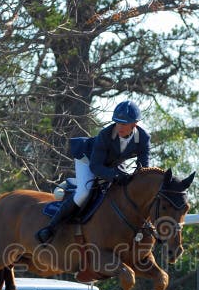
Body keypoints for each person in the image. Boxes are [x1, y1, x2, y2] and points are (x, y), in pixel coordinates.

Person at [35, 100, 151, 244]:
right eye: (117, 122)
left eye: (124, 124)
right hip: (88, 160)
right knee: (84, 192)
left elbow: (144, 168)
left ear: (135, 124)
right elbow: (95, 167)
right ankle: (51, 228)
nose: (119, 127)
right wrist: (114, 175)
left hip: (112, 163)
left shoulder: (143, 138)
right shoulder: (105, 135)